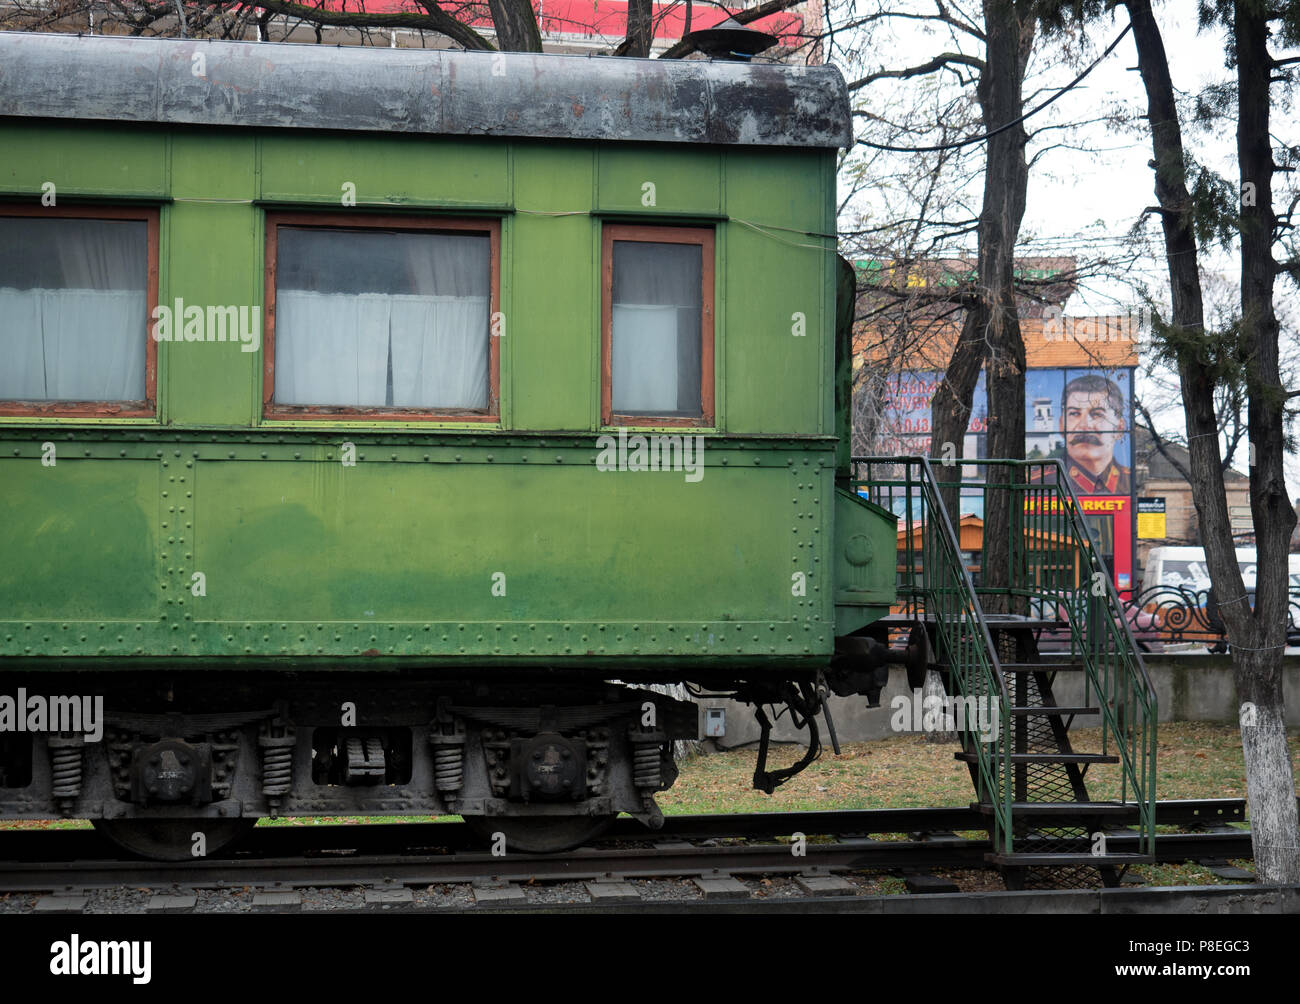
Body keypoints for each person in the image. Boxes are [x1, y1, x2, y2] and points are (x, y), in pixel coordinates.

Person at [1051, 374, 1131, 495]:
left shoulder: (1130, 482)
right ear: (1061, 425)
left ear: (1119, 428)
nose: (1084, 425)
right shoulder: (1040, 482)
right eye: (1074, 413)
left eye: (1097, 414)